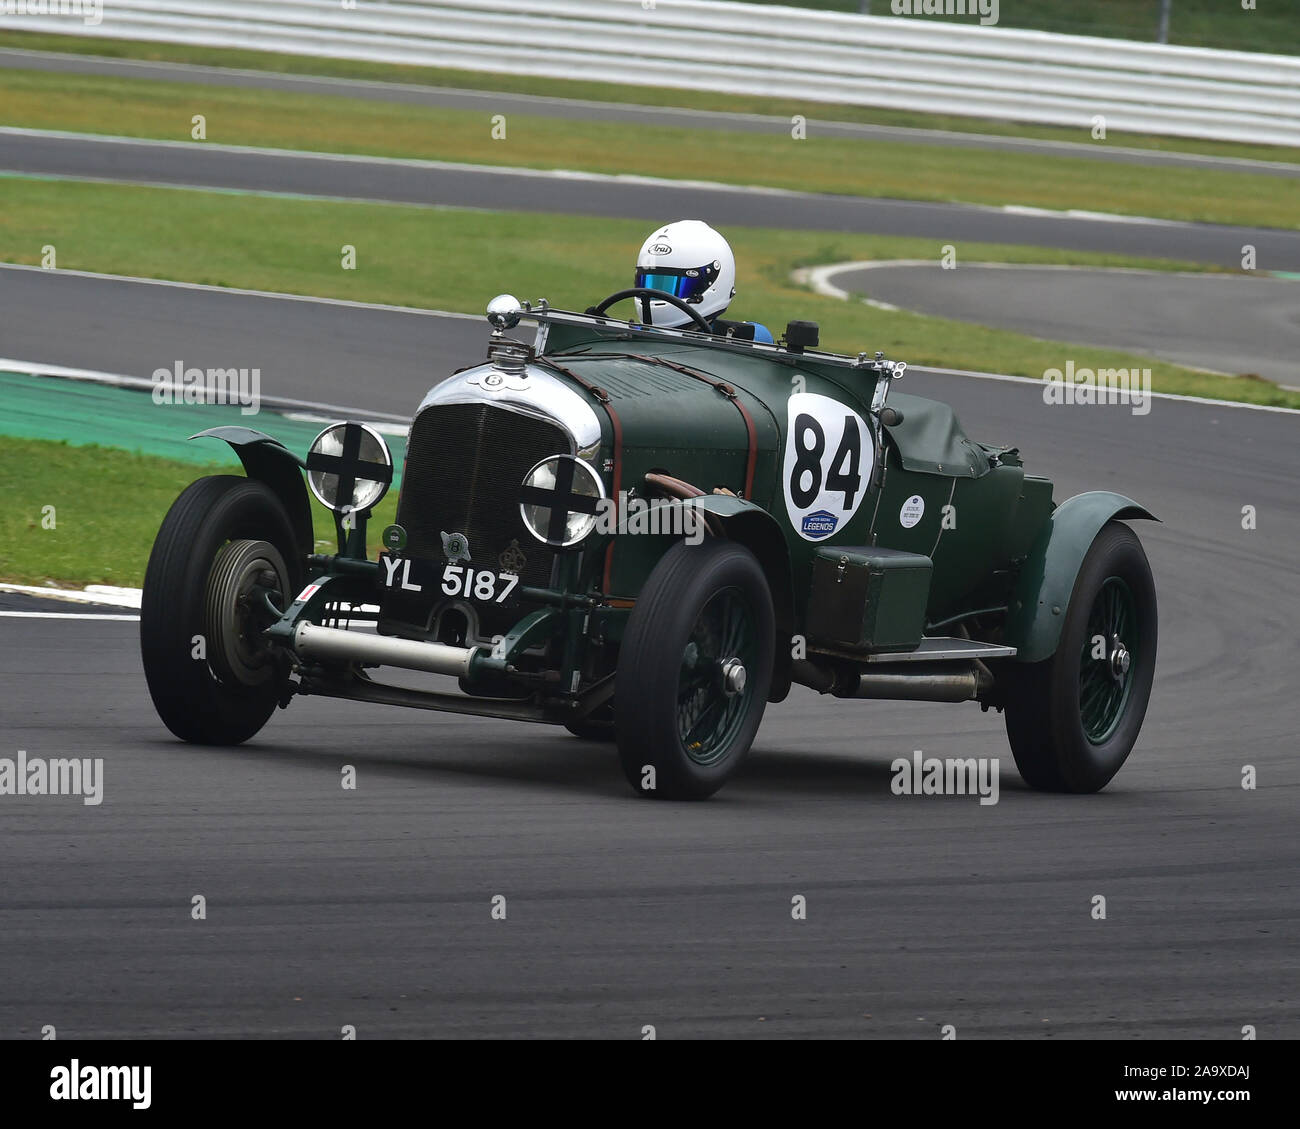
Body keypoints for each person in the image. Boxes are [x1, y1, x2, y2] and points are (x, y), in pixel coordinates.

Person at [633, 220, 774, 344]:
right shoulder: (625, 333)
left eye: (675, 286)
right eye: (649, 283)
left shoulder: (747, 339)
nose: (652, 296)